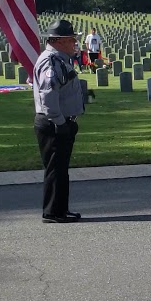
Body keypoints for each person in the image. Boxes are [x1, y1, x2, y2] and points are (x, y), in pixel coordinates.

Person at [33, 20, 87, 223]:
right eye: (72, 39)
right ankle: (52, 212)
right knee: (55, 169)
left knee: (61, 168)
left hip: (60, 121)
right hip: (54, 123)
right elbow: (48, 95)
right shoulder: (50, 61)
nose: (75, 43)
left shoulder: (60, 59)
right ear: (60, 41)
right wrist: (60, 122)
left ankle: (60, 209)